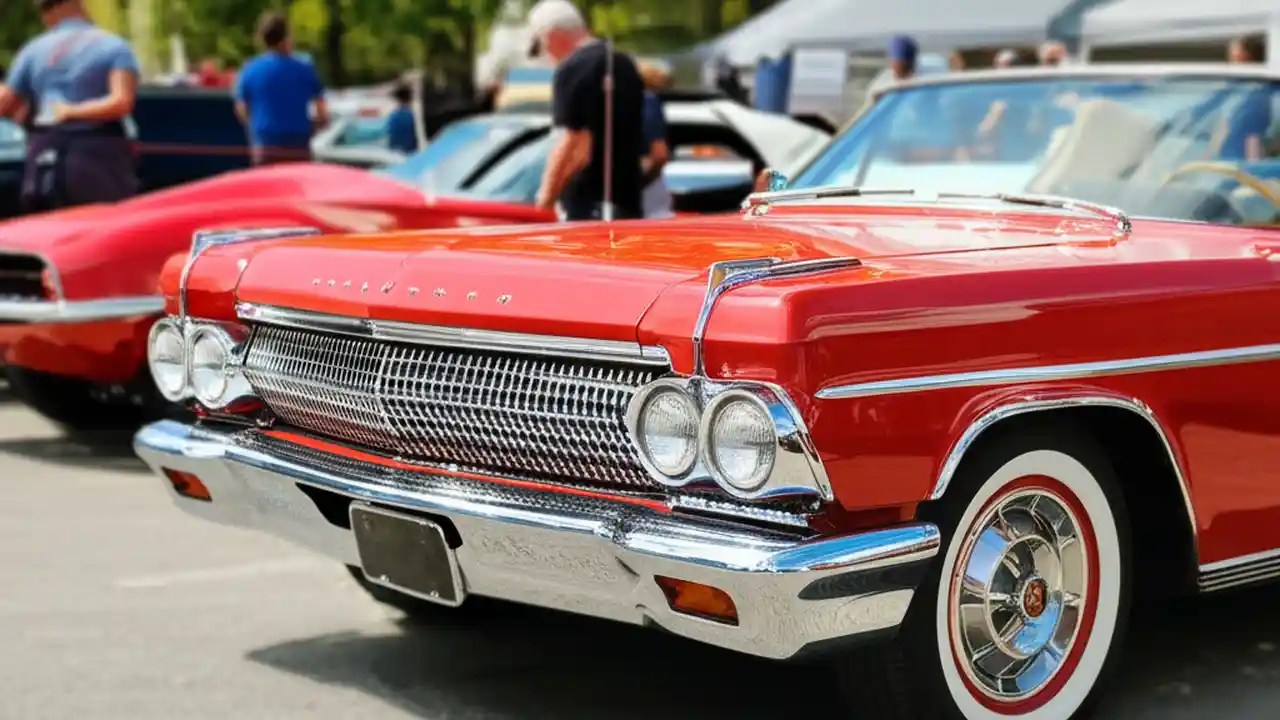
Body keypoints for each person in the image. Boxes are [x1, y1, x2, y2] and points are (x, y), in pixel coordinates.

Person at [0, 0, 140, 212]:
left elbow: (5, 103)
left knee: (43, 228)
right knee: (102, 223)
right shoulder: (114, 46)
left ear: (53, 10)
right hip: (97, 152)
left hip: (44, 152)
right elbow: (121, 102)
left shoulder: (32, 50)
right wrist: (73, 112)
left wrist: (28, 116)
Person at [530, 0, 645, 221]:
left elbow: (575, 142)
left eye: (543, 44)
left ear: (552, 35)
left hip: (587, 205)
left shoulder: (571, 69)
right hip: (628, 202)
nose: (547, 54)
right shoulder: (624, 64)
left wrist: (546, 197)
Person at [234, 12, 328, 165]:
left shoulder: (249, 70)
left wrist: (256, 129)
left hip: (265, 145)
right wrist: (314, 127)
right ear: (287, 37)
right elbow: (322, 112)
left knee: (267, 188)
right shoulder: (304, 68)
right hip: (298, 145)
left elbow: (242, 110)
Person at [638, 62, 672, 219]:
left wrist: (640, 183)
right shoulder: (651, 101)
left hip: (647, 189)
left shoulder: (647, 103)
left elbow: (659, 153)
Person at [385, 82, 418, 154]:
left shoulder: (393, 116)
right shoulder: (414, 116)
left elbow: (390, 135)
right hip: (412, 153)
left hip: (396, 154)